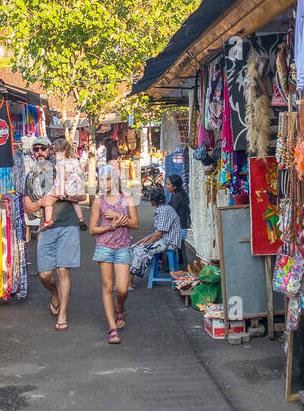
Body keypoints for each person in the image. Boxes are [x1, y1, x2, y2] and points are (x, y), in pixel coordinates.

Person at [24, 137, 86, 332]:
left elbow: (82, 196)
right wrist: (41, 203)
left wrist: (64, 195)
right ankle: (54, 293)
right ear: (32, 152)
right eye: (36, 149)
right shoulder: (31, 176)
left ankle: (62, 315)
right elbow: (27, 207)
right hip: (46, 228)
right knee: (44, 275)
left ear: (50, 151)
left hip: (68, 224)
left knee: (63, 271)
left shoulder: (64, 167)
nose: (40, 152)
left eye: (43, 148)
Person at [89, 165, 137, 344]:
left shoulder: (127, 198)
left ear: (116, 179)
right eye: (102, 179)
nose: (105, 182)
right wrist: (111, 226)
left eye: (108, 178)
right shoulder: (98, 202)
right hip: (104, 247)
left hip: (123, 246)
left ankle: (119, 306)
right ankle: (112, 328)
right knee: (108, 287)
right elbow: (92, 230)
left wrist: (119, 218)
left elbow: (135, 224)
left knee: (123, 288)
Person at [130, 191, 184, 280]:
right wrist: (145, 239)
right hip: (165, 239)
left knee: (139, 250)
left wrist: (145, 244)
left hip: (169, 242)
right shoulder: (163, 208)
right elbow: (158, 232)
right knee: (134, 247)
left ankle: (129, 282)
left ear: (154, 201)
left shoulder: (163, 211)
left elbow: (159, 234)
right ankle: (129, 280)